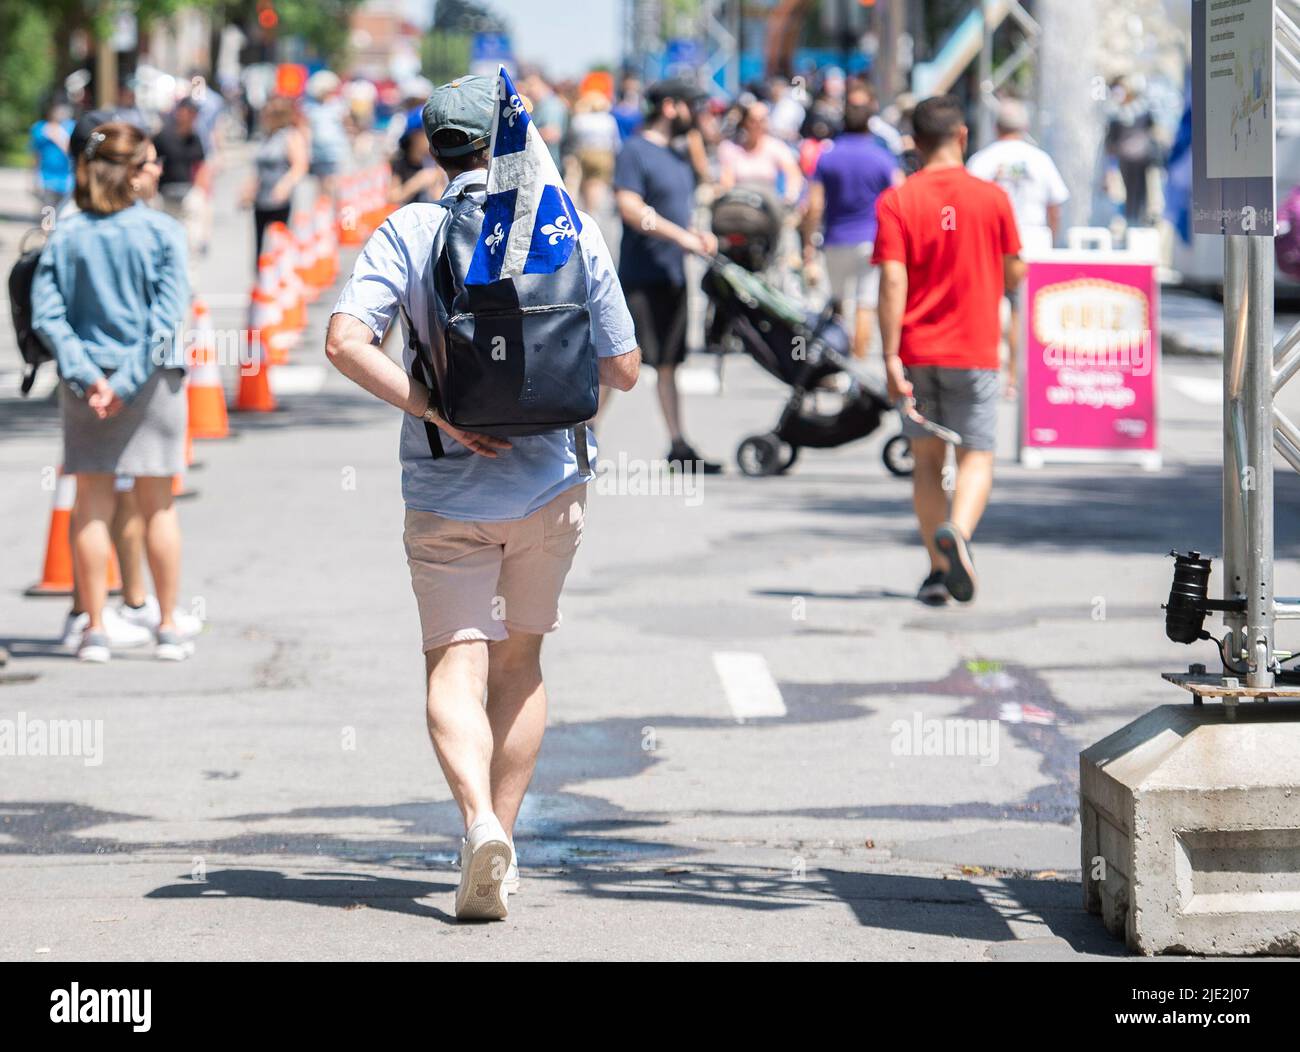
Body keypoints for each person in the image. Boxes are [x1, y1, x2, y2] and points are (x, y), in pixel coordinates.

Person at [324, 74, 641, 920]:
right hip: (552, 484)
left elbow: (345, 343)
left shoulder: (412, 227)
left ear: (434, 150)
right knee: (522, 661)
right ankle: (503, 830)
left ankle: (474, 828)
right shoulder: (565, 222)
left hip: (446, 483)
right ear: (507, 144)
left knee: (453, 663)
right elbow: (625, 368)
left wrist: (435, 409)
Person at [31, 122, 194, 662]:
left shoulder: (69, 233)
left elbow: (48, 315)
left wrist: (89, 376)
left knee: (91, 505)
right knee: (158, 506)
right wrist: (125, 382)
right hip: (151, 385)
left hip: (87, 385)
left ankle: (95, 626)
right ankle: (168, 624)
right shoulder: (161, 232)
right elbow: (167, 320)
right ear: (131, 174)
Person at [872, 95, 1024, 606]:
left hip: (916, 351)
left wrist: (890, 355)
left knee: (926, 462)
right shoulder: (993, 199)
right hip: (975, 350)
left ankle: (938, 571)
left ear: (914, 143)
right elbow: (1014, 273)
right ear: (962, 136)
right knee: (976, 455)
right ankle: (958, 533)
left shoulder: (898, 201)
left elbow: (892, 279)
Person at [613, 79, 720, 471]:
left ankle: (678, 445)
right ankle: (581, 443)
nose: (699, 114)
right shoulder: (635, 151)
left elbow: (682, 212)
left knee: (670, 364)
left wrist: (697, 235)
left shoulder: (678, 157)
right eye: (694, 106)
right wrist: (681, 237)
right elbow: (629, 207)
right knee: (614, 361)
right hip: (639, 276)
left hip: (672, 276)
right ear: (671, 106)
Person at [967, 97, 1068, 398]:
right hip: (1032, 244)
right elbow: (1055, 206)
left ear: (996, 125)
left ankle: (987, 375)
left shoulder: (983, 159)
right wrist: (1053, 237)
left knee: (986, 309)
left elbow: (968, 203)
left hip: (991, 244)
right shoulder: (1040, 159)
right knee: (1022, 314)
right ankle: (1014, 379)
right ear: (1024, 127)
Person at [803, 86, 900, 360]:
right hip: (871, 241)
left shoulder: (827, 156)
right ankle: (857, 371)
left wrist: (809, 245)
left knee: (837, 306)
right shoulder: (883, 158)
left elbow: (815, 205)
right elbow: (898, 198)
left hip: (835, 240)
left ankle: (838, 363)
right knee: (865, 305)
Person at [241, 96, 308, 266]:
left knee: (280, 243)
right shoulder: (266, 138)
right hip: (261, 198)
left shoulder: (290, 136)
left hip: (280, 200)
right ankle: (261, 283)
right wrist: (248, 189)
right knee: (259, 247)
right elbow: (258, 168)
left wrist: (285, 185)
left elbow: (300, 165)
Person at [153, 99, 209, 279]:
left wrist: (201, 192)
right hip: (166, 194)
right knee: (167, 240)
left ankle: (190, 282)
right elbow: (152, 160)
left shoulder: (195, 138)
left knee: (192, 240)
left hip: (188, 193)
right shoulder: (163, 136)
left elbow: (200, 165)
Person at [717, 101, 803, 206]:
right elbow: (726, 180)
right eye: (753, 121)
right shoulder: (731, 148)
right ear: (745, 123)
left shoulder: (776, 147)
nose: (757, 125)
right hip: (739, 205)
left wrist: (790, 195)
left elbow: (793, 173)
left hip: (767, 206)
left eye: (762, 121)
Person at [566, 91, 621, 214]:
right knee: (596, 183)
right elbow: (615, 141)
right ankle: (592, 210)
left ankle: (586, 208)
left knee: (584, 183)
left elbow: (572, 139)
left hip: (583, 153)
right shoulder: (608, 119)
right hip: (603, 154)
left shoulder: (580, 119)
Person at [30, 101, 75, 212]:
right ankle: (47, 229)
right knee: (48, 213)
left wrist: (58, 137)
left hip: (68, 179)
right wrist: (33, 177)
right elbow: (36, 153)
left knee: (63, 213)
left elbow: (73, 152)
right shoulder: (40, 128)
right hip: (46, 178)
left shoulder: (71, 127)